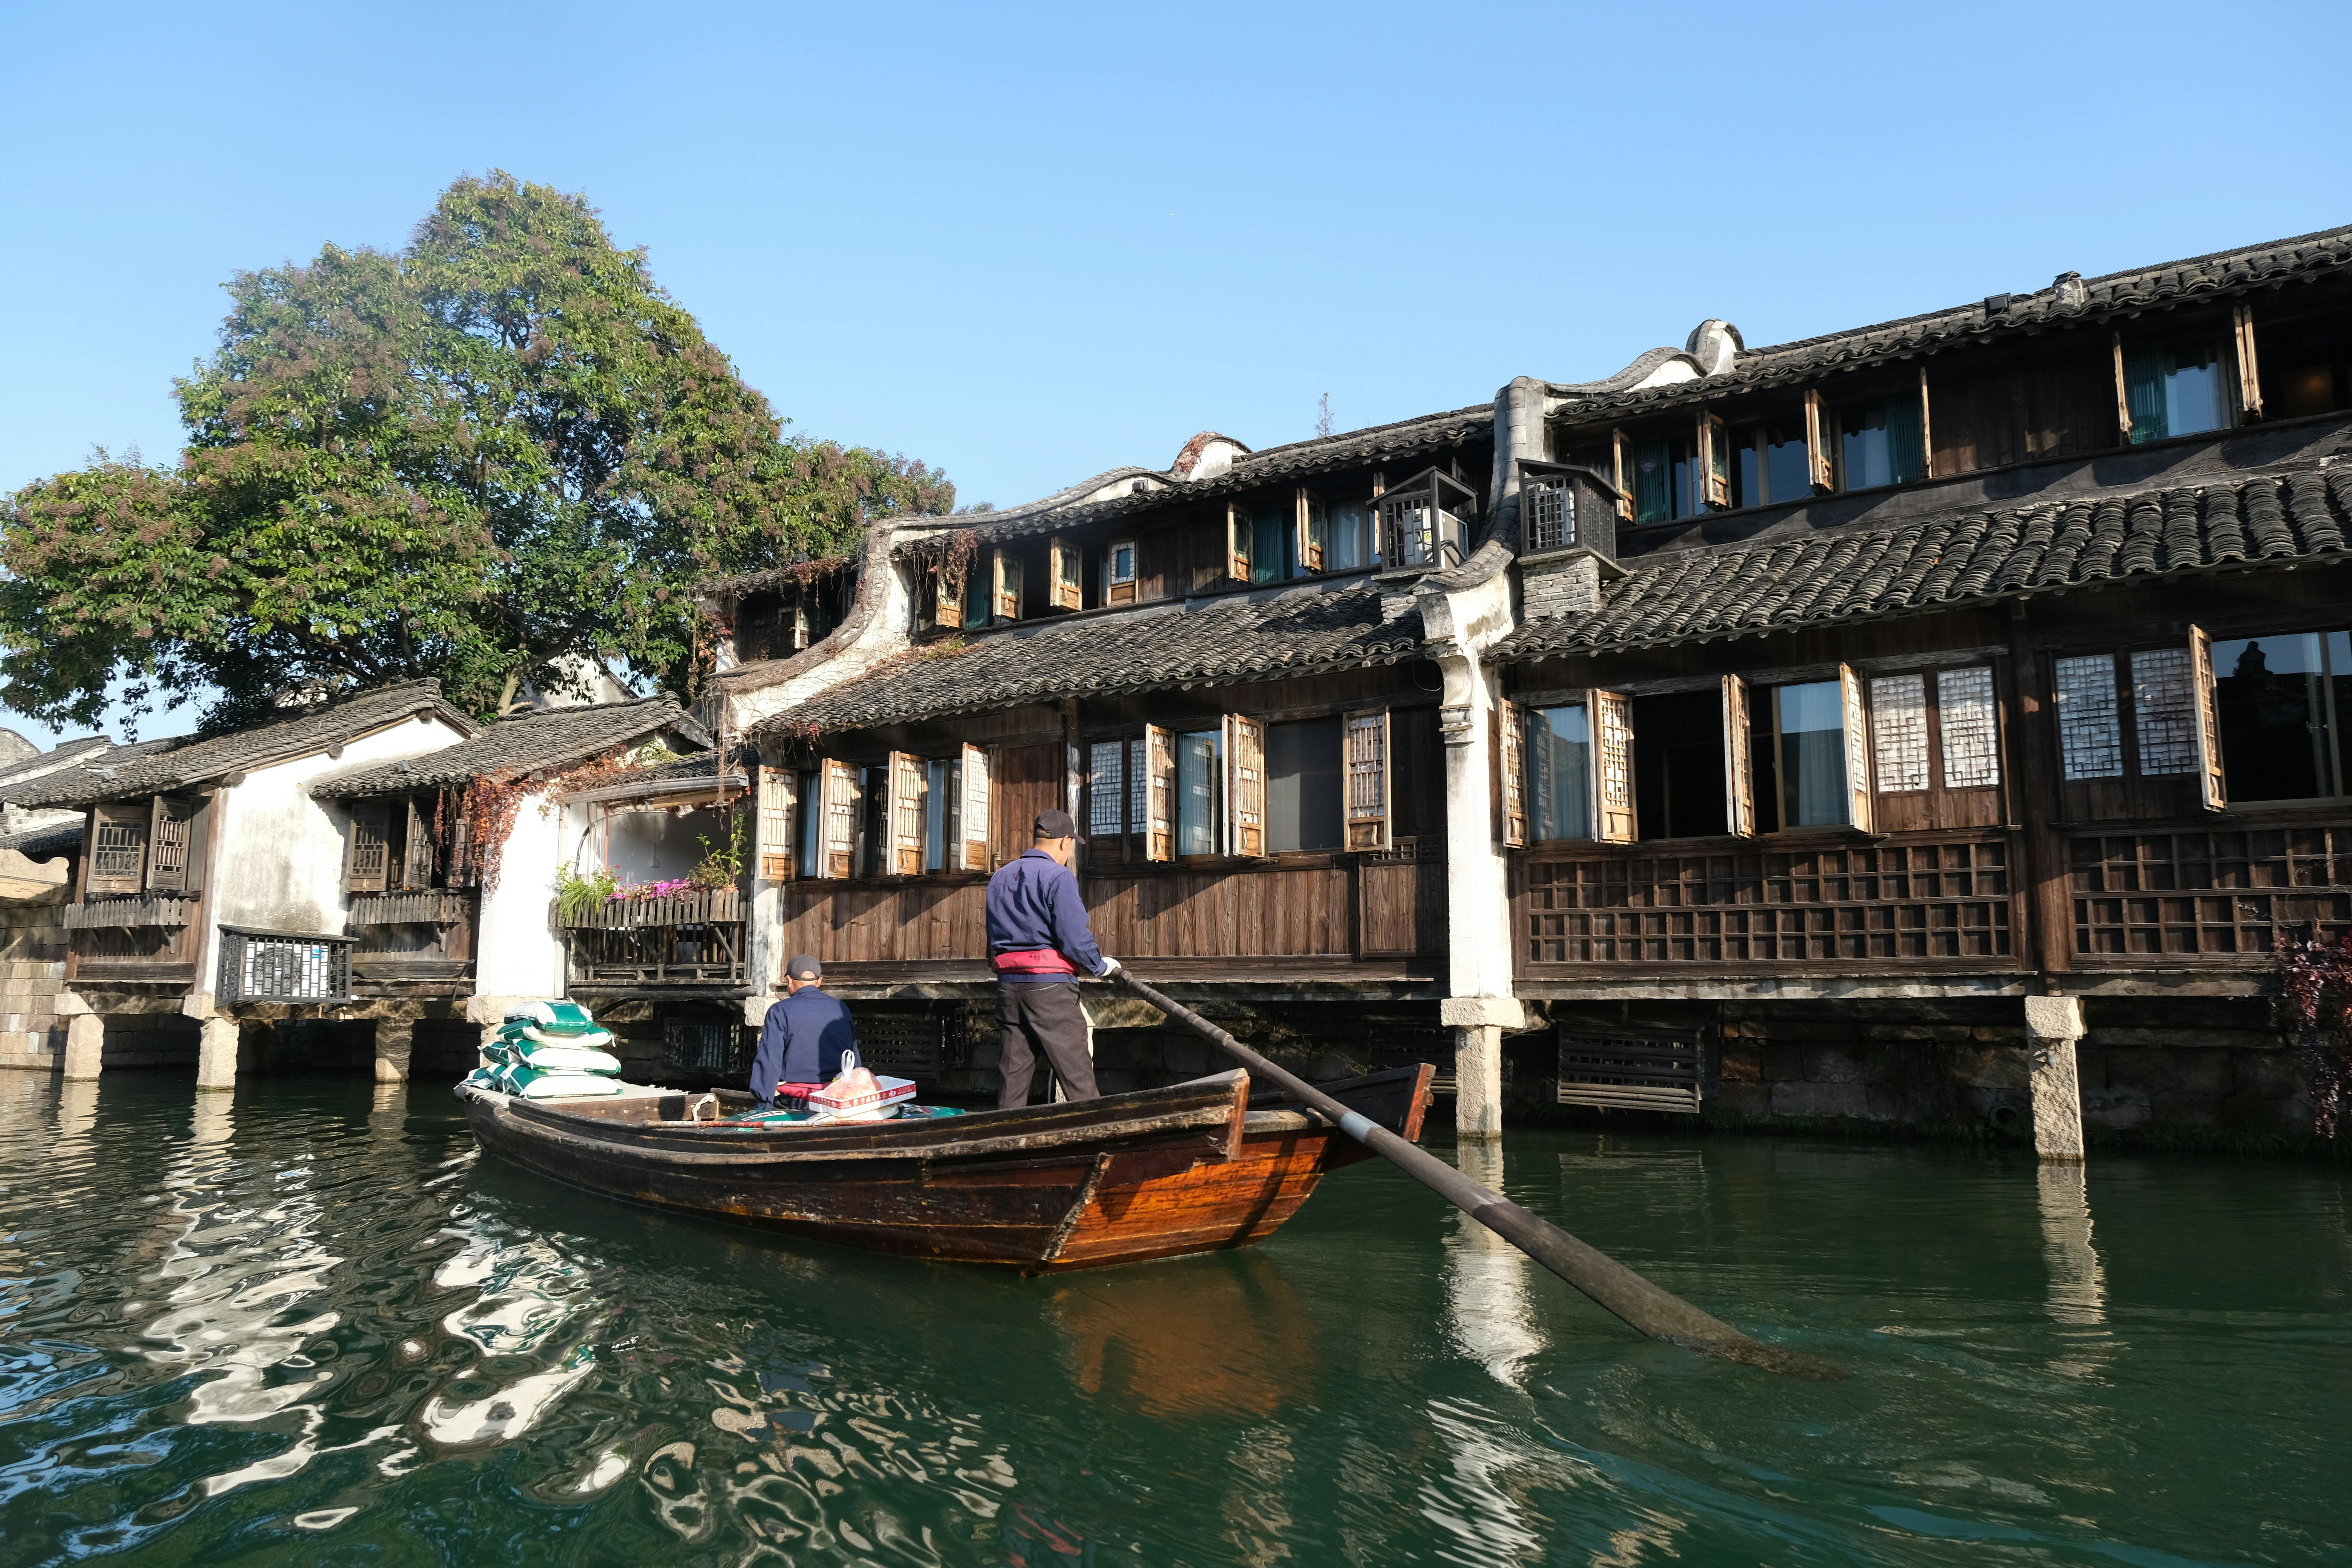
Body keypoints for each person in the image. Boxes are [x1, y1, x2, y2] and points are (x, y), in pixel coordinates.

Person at [986, 808, 1119, 1109]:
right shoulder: (1059, 876)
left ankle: (1003, 1144)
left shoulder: (1000, 877)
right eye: (1072, 845)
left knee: (1013, 1080)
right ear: (1065, 842)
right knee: (1077, 1078)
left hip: (1008, 987)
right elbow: (1072, 935)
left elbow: (993, 936)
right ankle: (1092, 1141)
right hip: (1050, 989)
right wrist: (1099, 966)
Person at [750, 954, 859, 1107]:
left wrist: (764, 1103)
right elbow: (852, 1057)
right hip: (837, 1097)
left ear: (789, 980)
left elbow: (770, 1060)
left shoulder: (780, 1011)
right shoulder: (842, 1008)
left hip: (797, 1099)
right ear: (820, 981)